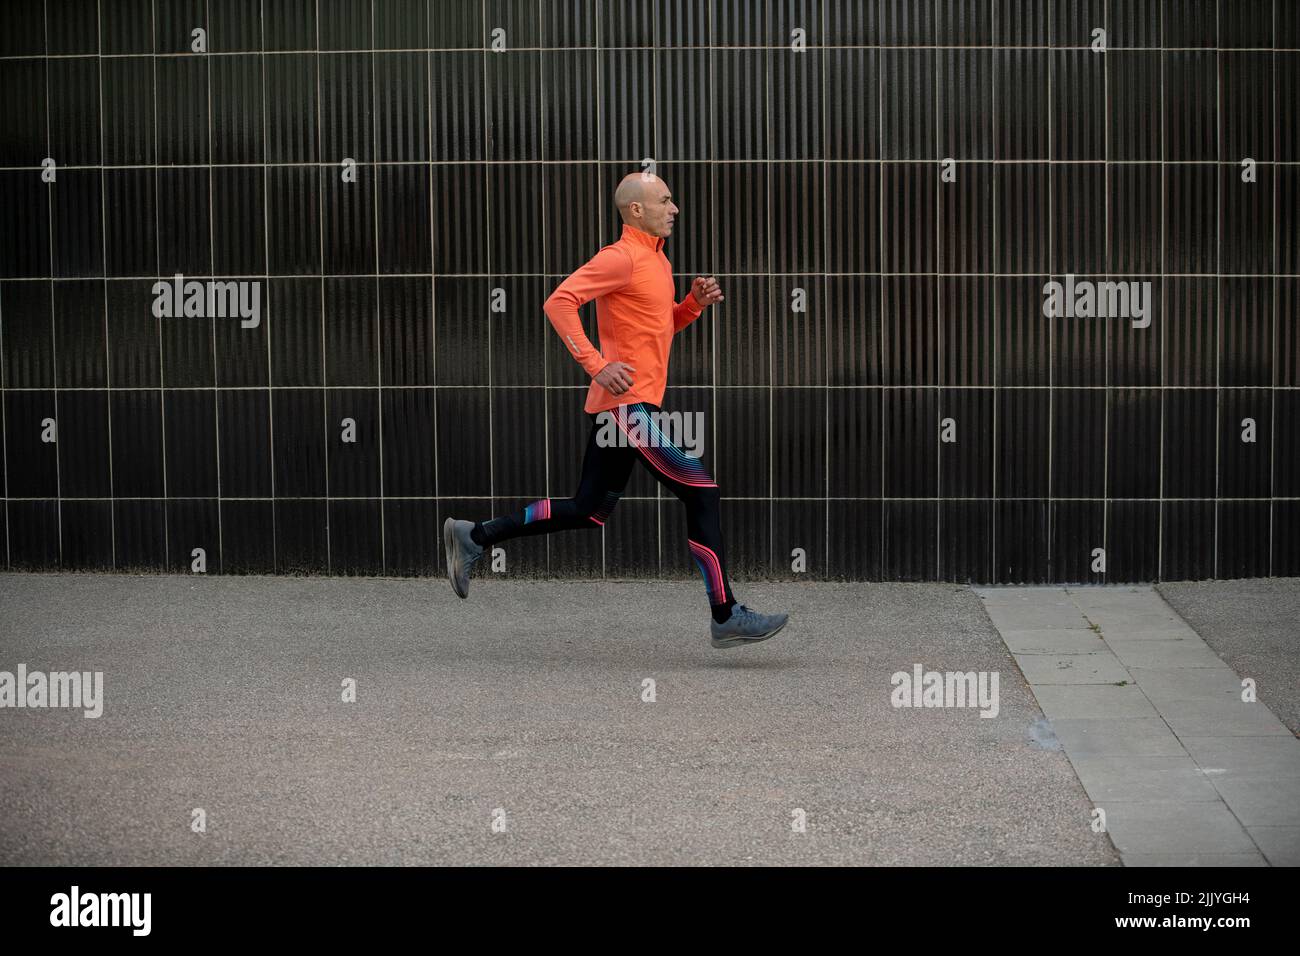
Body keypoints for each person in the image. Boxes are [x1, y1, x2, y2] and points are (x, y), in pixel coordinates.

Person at [443, 172, 788, 649]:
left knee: (588, 510)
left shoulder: (657, 262)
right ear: (636, 210)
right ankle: (725, 614)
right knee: (702, 491)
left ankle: (475, 536)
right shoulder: (620, 257)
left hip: (627, 408)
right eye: (665, 200)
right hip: (626, 407)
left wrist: (692, 304)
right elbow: (558, 302)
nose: (675, 208)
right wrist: (597, 365)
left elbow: (658, 327)